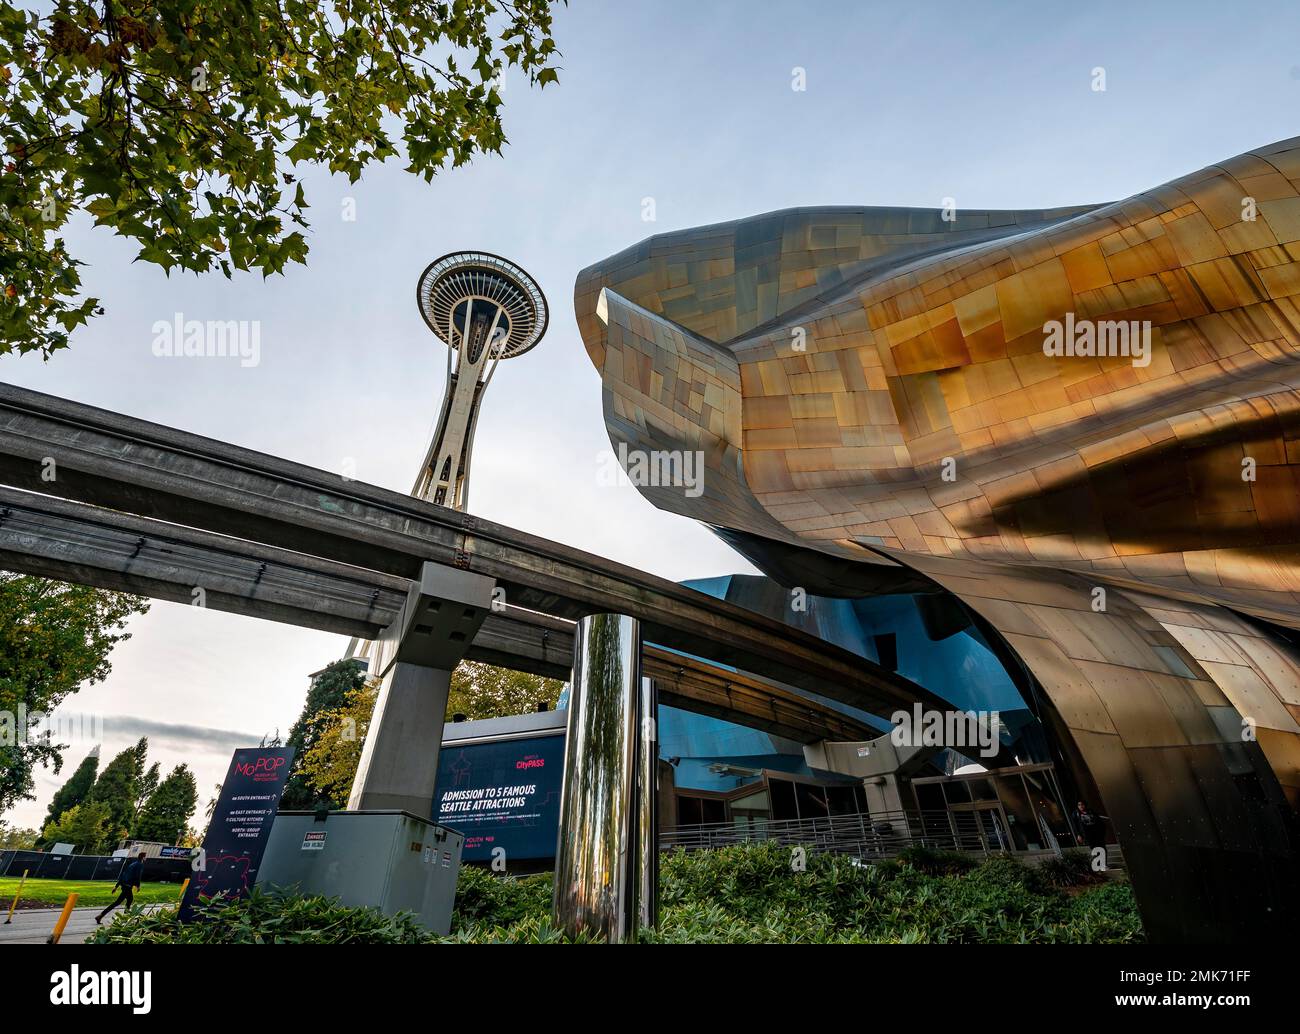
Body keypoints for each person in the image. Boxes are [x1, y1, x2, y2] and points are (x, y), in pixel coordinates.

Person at [96, 851, 146, 925]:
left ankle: (102, 916)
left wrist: (116, 886)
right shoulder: (140, 865)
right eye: (145, 856)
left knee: (128, 900)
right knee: (121, 902)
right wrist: (138, 885)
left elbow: (123, 874)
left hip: (124, 884)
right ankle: (124, 920)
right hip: (128, 886)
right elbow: (137, 876)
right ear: (143, 857)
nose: (146, 858)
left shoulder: (132, 864)